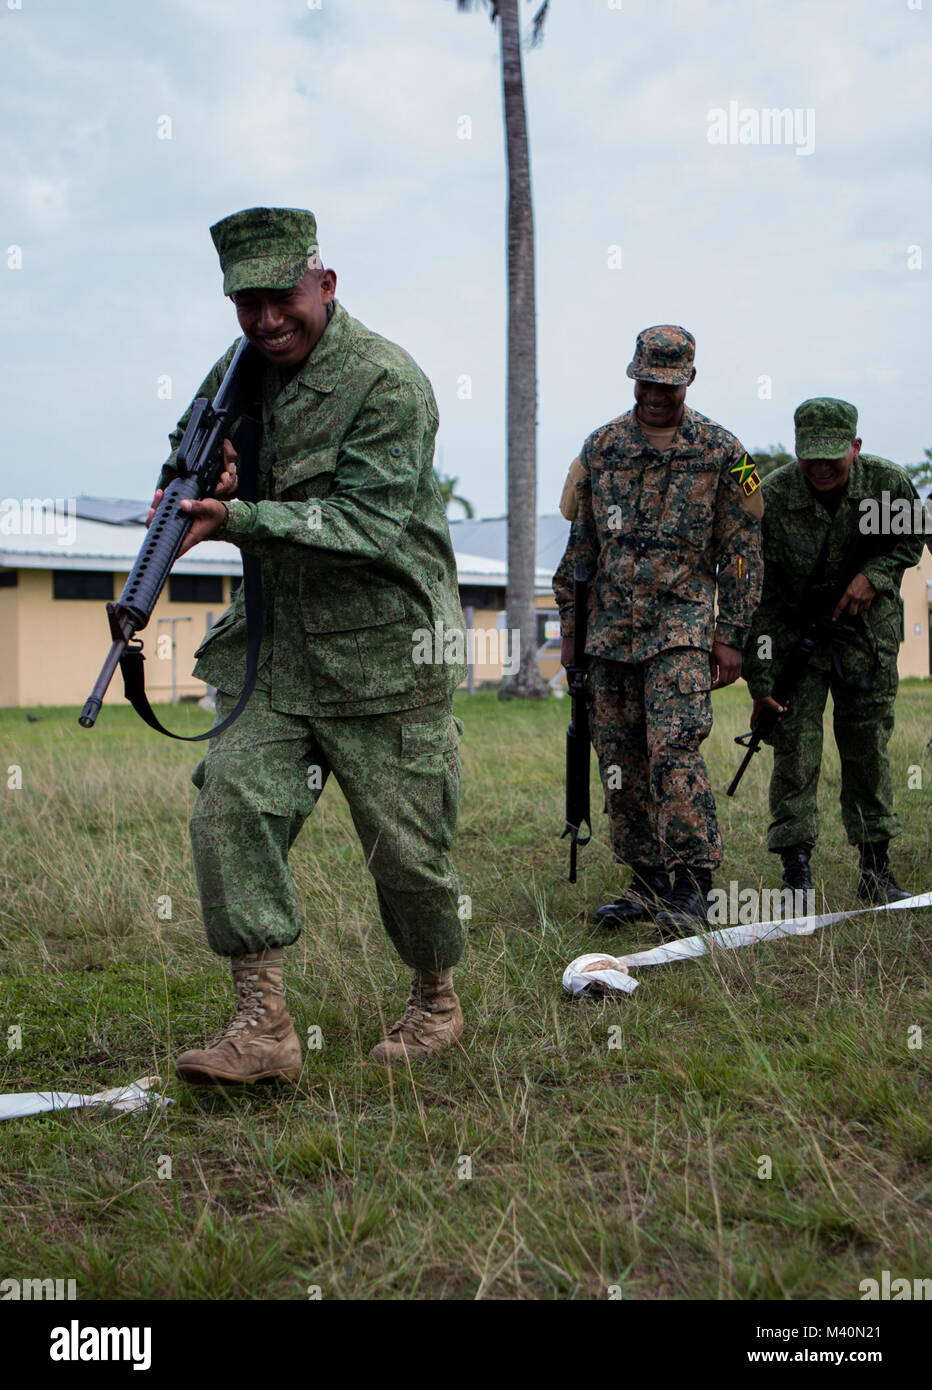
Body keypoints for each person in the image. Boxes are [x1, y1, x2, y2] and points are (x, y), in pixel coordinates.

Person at [149, 207, 468, 1082]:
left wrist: (239, 515)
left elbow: (367, 521)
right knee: (230, 805)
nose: (265, 320)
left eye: (281, 296)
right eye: (246, 302)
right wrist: (199, 481)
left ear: (323, 284)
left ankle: (435, 998)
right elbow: (192, 450)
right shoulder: (239, 369)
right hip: (280, 654)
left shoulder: (388, 382)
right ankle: (263, 1026)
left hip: (387, 656)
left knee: (408, 852)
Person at [553, 325, 763, 933]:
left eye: (667, 385)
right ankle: (646, 882)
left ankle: (693, 884)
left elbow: (743, 552)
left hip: (682, 628)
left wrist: (733, 634)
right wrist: (571, 628)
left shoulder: (723, 452)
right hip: (611, 634)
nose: (654, 394)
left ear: (688, 379)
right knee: (619, 756)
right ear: (634, 375)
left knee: (673, 750)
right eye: (645, 382)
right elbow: (581, 549)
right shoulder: (602, 447)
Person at [742, 397, 924, 904]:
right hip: (795, 646)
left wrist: (875, 576)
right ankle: (796, 873)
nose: (821, 468)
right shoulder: (773, 497)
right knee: (794, 755)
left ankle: (874, 868)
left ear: (856, 447)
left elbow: (912, 540)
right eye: (810, 457)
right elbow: (760, 597)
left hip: (866, 639)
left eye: (833, 457)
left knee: (867, 750)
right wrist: (762, 683)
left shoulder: (887, 484)